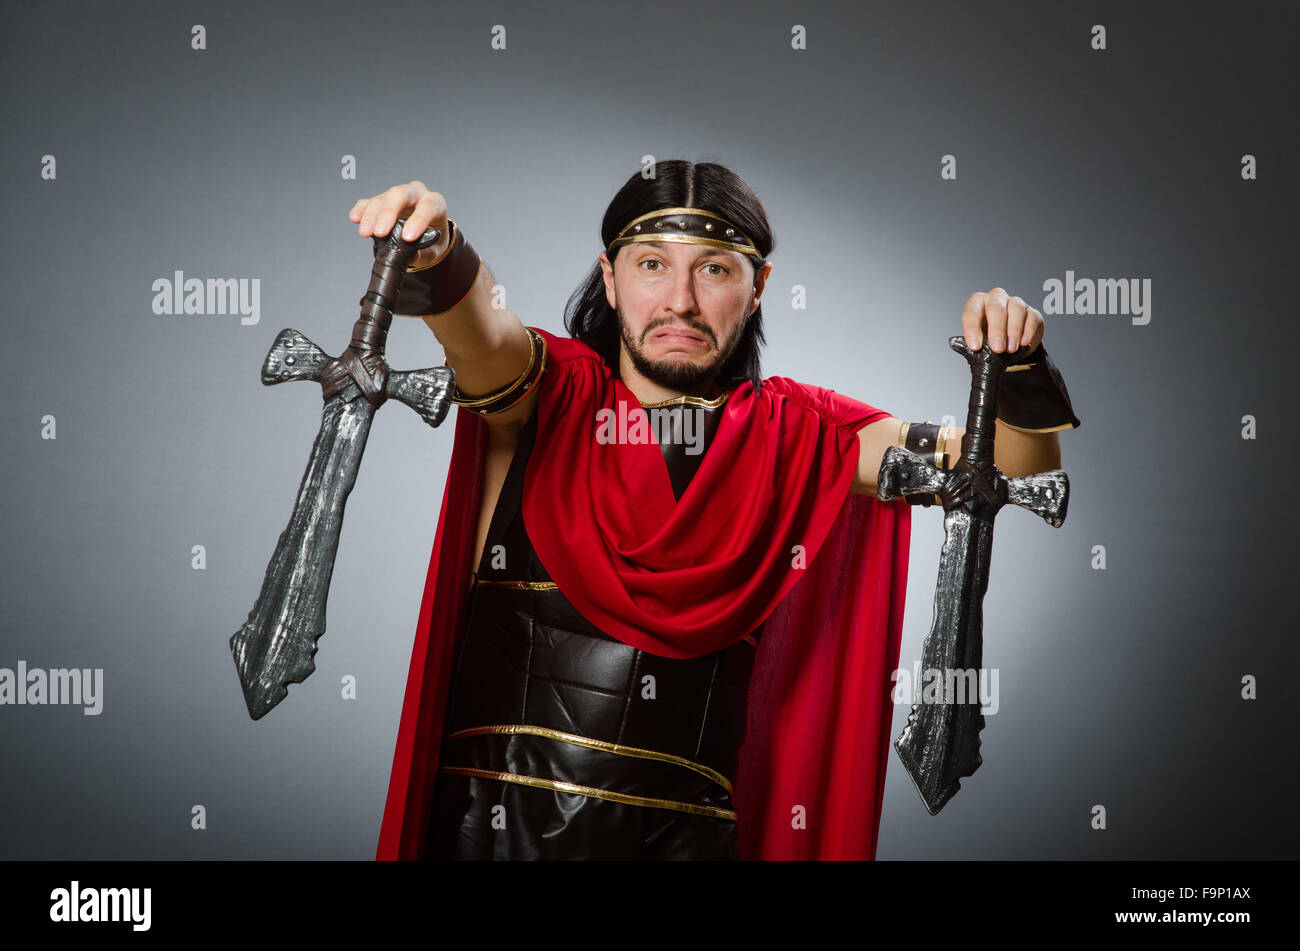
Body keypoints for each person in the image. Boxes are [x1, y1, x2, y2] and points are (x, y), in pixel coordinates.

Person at [355, 160, 1079, 860]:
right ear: (610, 279)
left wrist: (1017, 369)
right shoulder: (548, 394)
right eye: (651, 265)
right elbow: (478, 327)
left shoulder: (799, 434)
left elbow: (1009, 467)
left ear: (758, 286)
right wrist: (436, 249)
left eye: (715, 268)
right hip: (493, 837)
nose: (680, 300)